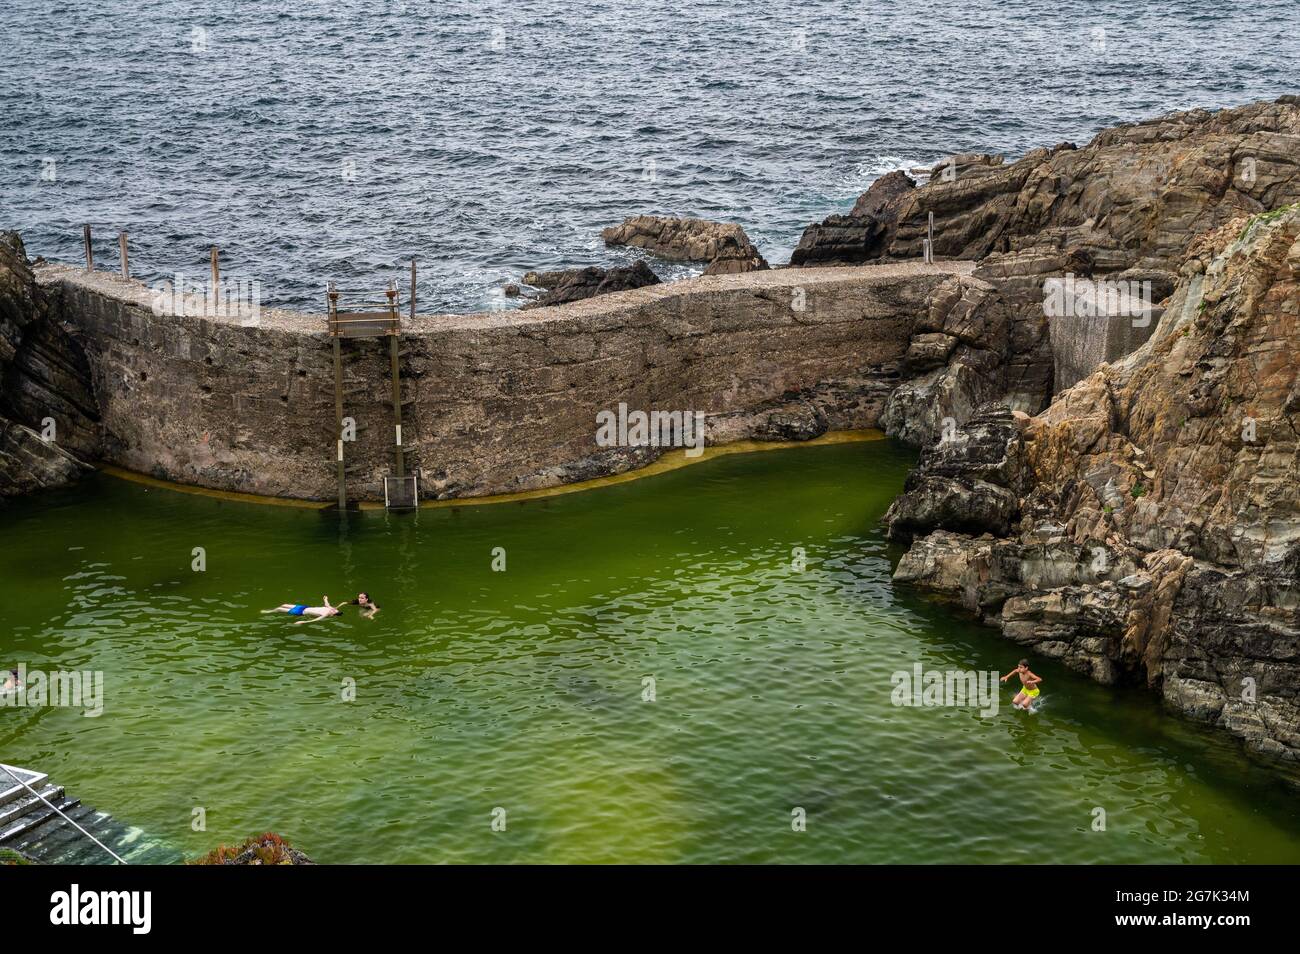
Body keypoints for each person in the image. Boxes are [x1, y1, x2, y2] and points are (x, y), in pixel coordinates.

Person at [262, 597, 342, 625]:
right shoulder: (332, 609)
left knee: (279, 609)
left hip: (300, 612)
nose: (334, 610)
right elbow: (327, 605)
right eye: (335, 610)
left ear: (334, 614)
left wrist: (303, 622)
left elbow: (316, 620)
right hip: (304, 607)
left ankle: (269, 612)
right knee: (284, 604)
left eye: (334, 611)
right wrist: (325, 599)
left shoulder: (326, 614)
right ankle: (273, 610)